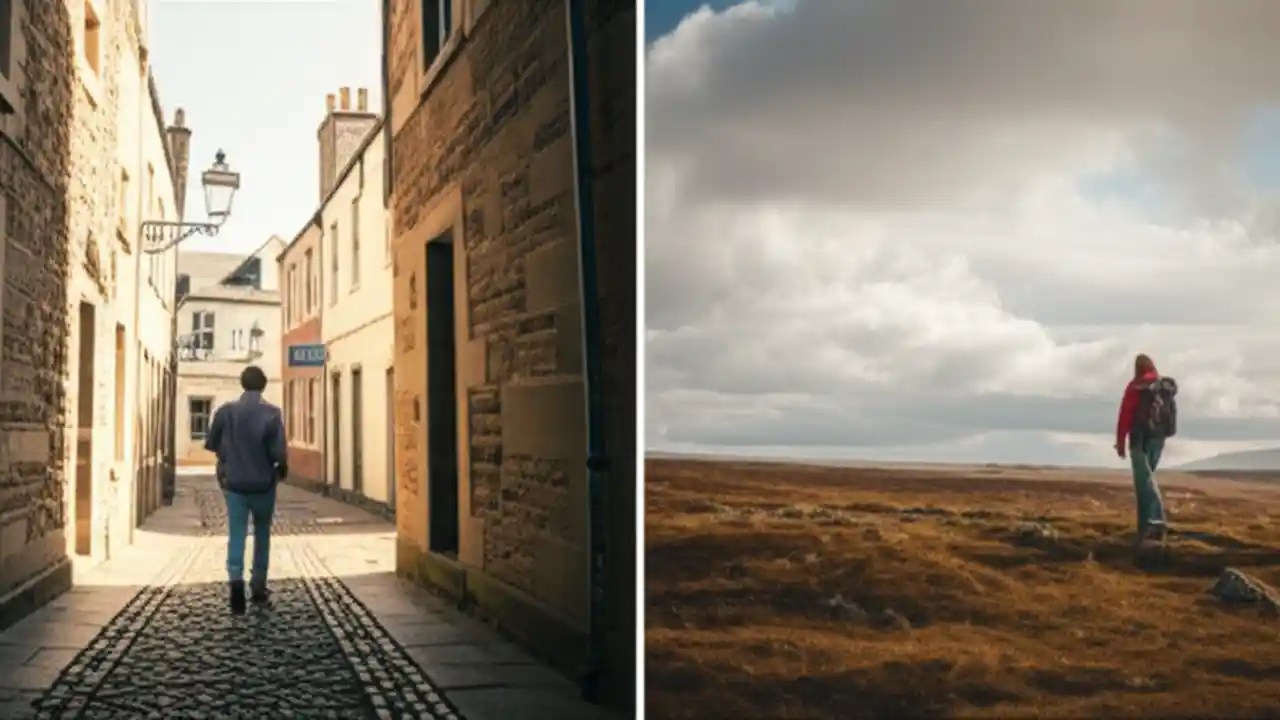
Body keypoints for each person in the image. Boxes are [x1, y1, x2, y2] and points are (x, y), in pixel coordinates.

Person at [203, 365, 288, 614]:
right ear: (263, 386)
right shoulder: (272, 414)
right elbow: (278, 452)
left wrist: (228, 460)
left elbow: (213, 444)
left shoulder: (225, 412)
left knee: (236, 535)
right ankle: (259, 589)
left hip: (236, 485)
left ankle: (236, 588)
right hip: (263, 485)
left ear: (242, 384)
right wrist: (280, 470)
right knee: (262, 536)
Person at [1114, 353, 1178, 545]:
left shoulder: (1136, 386)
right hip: (1158, 439)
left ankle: (1154, 523)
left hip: (1140, 439)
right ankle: (1144, 530)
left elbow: (1125, 415)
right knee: (1146, 481)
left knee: (1144, 484)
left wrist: (1120, 442)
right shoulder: (1163, 387)